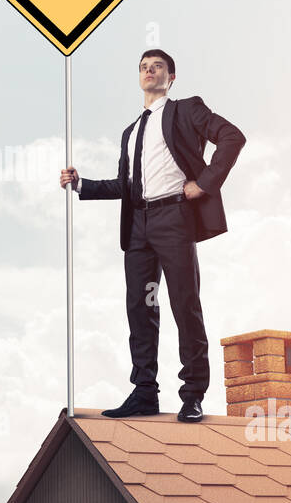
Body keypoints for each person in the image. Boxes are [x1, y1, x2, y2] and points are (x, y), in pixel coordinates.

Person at [58, 49, 245, 422]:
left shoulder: (187, 110)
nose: (149, 71)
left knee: (184, 304)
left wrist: (205, 183)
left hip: (174, 218)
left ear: (170, 77)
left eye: (157, 66)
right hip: (139, 228)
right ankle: (144, 392)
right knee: (141, 309)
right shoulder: (130, 133)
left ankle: (192, 395)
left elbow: (232, 137)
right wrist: (82, 185)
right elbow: (126, 185)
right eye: (144, 67)